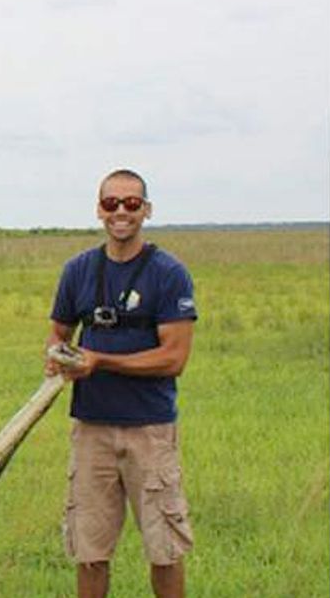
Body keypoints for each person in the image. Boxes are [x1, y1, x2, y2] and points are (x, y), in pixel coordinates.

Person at [46, 169, 197, 598]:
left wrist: (100, 360)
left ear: (146, 210)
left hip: (149, 430)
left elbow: (175, 357)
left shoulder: (169, 273)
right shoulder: (77, 270)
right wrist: (57, 355)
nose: (121, 213)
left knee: (164, 550)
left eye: (131, 204)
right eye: (111, 203)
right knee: (90, 551)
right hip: (91, 429)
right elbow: (58, 332)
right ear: (99, 209)